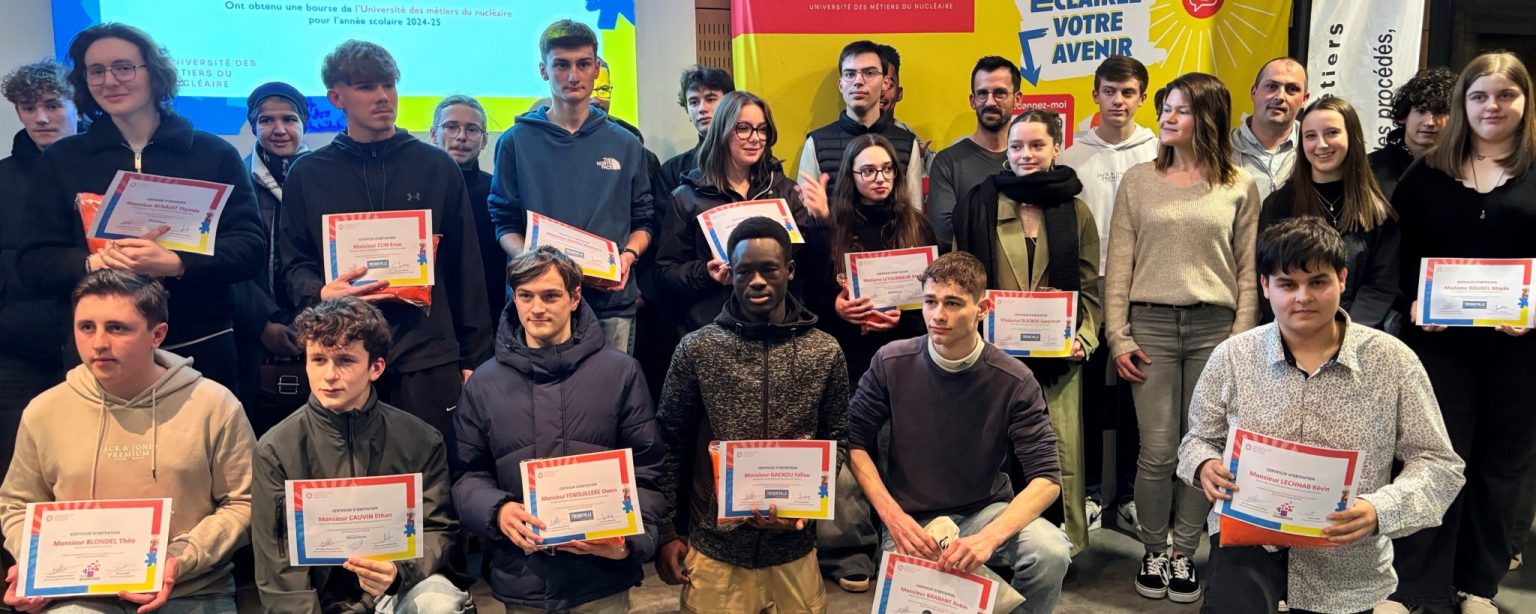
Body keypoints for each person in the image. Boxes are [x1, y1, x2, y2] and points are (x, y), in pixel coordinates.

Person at [1179, 217, 1463, 614]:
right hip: (1250, 539)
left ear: (1342, 279)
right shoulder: (1233, 356)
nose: (1303, 297)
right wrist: (1204, 466)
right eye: (1287, 284)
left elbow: (1439, 463)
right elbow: (1198, 440)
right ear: (1265, 286)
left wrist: (1380, 509)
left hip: (1347, 559)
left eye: (1317, 282)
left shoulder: (1392, 361)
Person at [16, 23, 266, 394]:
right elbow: (33, 261)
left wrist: (177, 263)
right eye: (96, 71)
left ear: (155, 74)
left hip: (200, 344)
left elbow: (250, 247)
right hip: (100, 354)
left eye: (124, 67)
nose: (109, 81)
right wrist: (94, 263)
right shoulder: (61, 160)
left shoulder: (213, 154)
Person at [1, 270, 256, 613]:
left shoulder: (214, 405)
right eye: (86, 327)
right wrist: (36, 562)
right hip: (78, 595)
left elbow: (245, 502)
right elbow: (18, 504)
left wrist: (179, 559)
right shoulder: (44, 411)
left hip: (191, 589)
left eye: (117, 328)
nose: (99, 343)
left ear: (157, 334)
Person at [278, 40, 493, 438]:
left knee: (432, 469)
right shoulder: (309, 174)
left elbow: (465, 268)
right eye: (366, 87)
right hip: (343, 354)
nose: (383, 97)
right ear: (336, 97)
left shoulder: (437, 166)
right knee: (351, 473)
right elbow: (293, 263)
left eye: (389, 84)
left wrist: (474, 359)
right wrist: (320, 292)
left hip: (428, 357)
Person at [1385, 51, 1536, 614]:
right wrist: (1414, 302)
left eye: (1505, 95)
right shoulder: (1427, 174)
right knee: (1433, 462)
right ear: (1462, 104)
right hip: (1438, 347)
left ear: (1525, 102)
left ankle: (1477, 586)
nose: (1492, 106)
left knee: (1501, 469)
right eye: (1479, 96)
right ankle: (1415, 586)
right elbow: (1396, 254)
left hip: (1519, 352)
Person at [1105, 72, 1261, 603]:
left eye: (1180, 110)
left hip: (1215, 329)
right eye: (1165, 108)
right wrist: (1118, 337)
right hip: (1149, 326)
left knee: (1204, 446)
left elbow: (1248, 272)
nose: (1166, 118)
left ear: (1208, 117)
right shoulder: (1137, 181)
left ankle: (1184, 554)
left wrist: (1240, 343)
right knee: (1157, 450)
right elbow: (1118, 266)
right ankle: (1153, 550)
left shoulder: (1239, 185)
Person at [847, 251, 1073, 613]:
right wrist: (892, 517)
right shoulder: (890, 362)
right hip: (911, 521)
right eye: (930, 302)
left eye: (953, 303)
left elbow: (1047, 480)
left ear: (982, 309)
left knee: (1051, 551)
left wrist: (987, 539)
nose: (938, 315)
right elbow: (854, 441)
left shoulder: (1015, 380)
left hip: (984, 512)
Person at [652, 217, 850, 613]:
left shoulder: (825, 352)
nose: (756, 281)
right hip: (716, 553)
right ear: (730, 273)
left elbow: (838, 439)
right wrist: (667, 531)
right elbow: (670, 442)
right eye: (744, 271)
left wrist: (802, 509)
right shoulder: (698, 349)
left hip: (794, 551)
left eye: (769, 269)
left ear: (789, 271)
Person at [453, 246, 664, 612]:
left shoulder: (621, 372)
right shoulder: (483, 384)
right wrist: (497, 511)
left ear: (574, 297)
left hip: (602, 579)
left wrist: (629, 543)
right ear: (514, 298)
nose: (537, 308)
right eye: (525, 296)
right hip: (524, 578)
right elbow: (465, 474)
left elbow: (648, 470)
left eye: (550, 295)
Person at [252, 298, 469, 612]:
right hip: (319, 600)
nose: (329, 375)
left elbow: (438, 528)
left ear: (376, 368)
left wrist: (400, 571)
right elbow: (277, 559)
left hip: (398, 585)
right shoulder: (275, 449)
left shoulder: (421, 440)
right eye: (318, 359)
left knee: (439, 603)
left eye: (344, 361)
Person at [953, 109, 1102, 556]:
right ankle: (992, 545)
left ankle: (1059, 547)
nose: (1026, 155)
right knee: (994, 452)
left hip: (1059, 361)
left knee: (1056, 454)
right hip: (992, 358)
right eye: (1017, 146)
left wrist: (1084, 337)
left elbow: (1090, 286)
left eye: (1037, 145)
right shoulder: (979, 205)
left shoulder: (1076, 211)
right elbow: (961, 280)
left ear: (1057, 147)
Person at [811, 133, 936, 592]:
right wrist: (838, 310)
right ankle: (848, 552)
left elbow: (934, 300)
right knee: (847, 457)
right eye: (867, 171)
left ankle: (901, 545)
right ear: (851, 175)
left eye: (886, 170)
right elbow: (807, 300)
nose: (879, 178)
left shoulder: (918, 227)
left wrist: (906, 316)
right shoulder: (829, 229)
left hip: (904, 356)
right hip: (847, 357)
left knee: (901, 453)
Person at [486, 20, 654, 354]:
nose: (573, 76)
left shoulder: (626, 143)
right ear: (544, 70)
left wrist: (628, 256)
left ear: (596, 69)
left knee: (609, 388)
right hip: (539, 302)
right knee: (535, 388)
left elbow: (644, 220)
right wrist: (534, 264)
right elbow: (503, 222)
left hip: (610, 304)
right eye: (561, 65)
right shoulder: (515, 142)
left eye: (583, 64)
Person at [1057, 54, 1158, 535]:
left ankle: (1133, 495)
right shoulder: (1070, 155)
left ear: (1142, 98)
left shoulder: (1159, 151)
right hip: (1088, 296)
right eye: (1110, 92)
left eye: (1128, 92)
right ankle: (1093, 493)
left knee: (1139, 398)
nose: (1119, 101)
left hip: (1143, 292)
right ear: (1095, 94)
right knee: (1090, 398)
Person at [656, 90, 826, 334]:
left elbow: (811, 267)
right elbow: (666, 270)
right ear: (722, 131)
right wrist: (705, 273)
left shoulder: (784, 191)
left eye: (762, 129)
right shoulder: (687, 197)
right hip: (714, 328)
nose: (755, 138)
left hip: (778, 326)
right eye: (743, 128)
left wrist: (822, 221)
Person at [1257, 96, 1401, 333]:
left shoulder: (1378, 207)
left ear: (1351, 137)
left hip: (1357, 332)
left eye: (1332, 133)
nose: (1321, 144)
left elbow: (1381, 284)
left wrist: (1346, 333)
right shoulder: (1279, 204)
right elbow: (1268, 275)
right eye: (1310, 136)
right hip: (1293, 331)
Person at [0, 58, 77, 489]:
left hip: (98, 343)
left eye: (52, 104)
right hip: (19, 348)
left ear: (76, 104)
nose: (41, 118)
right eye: (28, 108)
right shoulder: (3, 178)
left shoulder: (106, 169)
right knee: (18, 472)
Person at [235, 81, 310, 434]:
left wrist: (311, 321)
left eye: (289, 119)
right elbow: (231, 262)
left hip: (318, 326)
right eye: (267, 120)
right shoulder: (236, 181)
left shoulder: (326, 178)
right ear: (253, 126)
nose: (279, 129)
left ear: (304, 125)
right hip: (251, 332)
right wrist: (262, 323)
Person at [798, 40, 922, 207]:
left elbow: (915, 213)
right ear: (840, 84)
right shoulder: (816, 143)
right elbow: (803, 213)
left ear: (885, 83)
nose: (858, 81)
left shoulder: (907, 143)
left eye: (869, 73)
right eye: (850, 74)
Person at [926, 56, 1021, 247]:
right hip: (966, 266)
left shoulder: (1029, 160)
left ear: (1017, 99)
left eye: (1000, 93)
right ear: (972, 101)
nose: (990, 102)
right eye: (982, 93)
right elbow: (945, 229)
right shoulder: (947, 162)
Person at [428, 94, 502, 322]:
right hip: (428, 315)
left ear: (484, 140)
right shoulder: (414, 190)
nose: (461, 137)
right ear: (433, 134)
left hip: (487, 313)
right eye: (451, 127)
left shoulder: (498, 192)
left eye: (472, 130)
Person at [1369, 67, 1456, 199]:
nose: (1429, 122)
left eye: (1439, 112)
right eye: (1421, 111)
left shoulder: (1466, 168)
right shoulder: (1370, 167)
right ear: (1403, 115)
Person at [1233, 58, 1308, 200]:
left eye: (1292, 89)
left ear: (1305, 99)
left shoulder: (1315, 148)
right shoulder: (1220, 150)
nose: (1280, 97)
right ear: (1253, 92)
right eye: (1271, 86)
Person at [657, 65, 736, 198]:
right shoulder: (671, 172)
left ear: (730, 105)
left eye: (710, 99)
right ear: (688, 112)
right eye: (694, 102)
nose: (701, 109)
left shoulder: (753, 160)